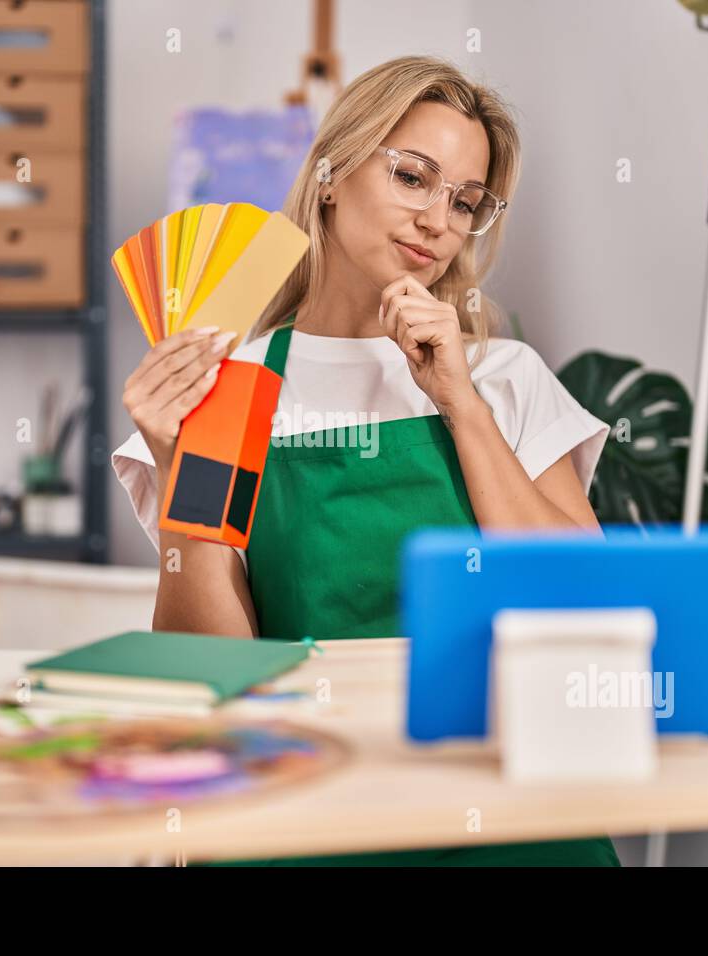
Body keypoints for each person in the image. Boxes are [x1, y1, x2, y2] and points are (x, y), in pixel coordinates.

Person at [112, 55, 616, 866]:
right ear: (330, 173)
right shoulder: (227, 384)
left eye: (464, 202)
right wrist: (181, 469)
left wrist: (460, 402)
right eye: (413, 178)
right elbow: (210, 670)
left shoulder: (502, 375)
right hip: (306, 811)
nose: (437, 221)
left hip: (508, 805)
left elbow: (586, 601)